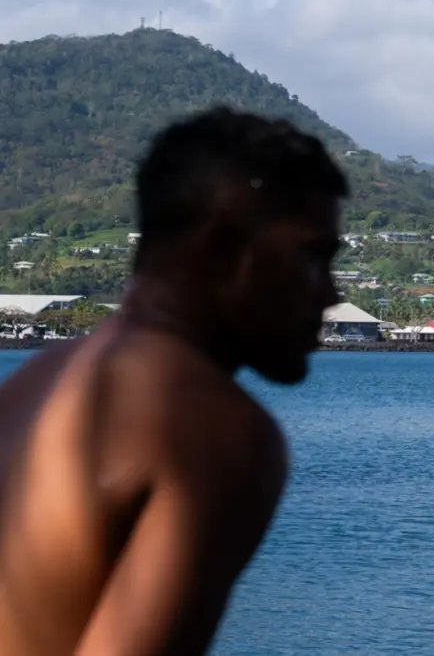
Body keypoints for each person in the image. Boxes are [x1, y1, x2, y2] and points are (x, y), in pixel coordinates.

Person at [0, 107, 348, 655]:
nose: (330, 294)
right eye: (311, 257)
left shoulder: (40, 381)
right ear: (222, 249)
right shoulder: (207, 425)